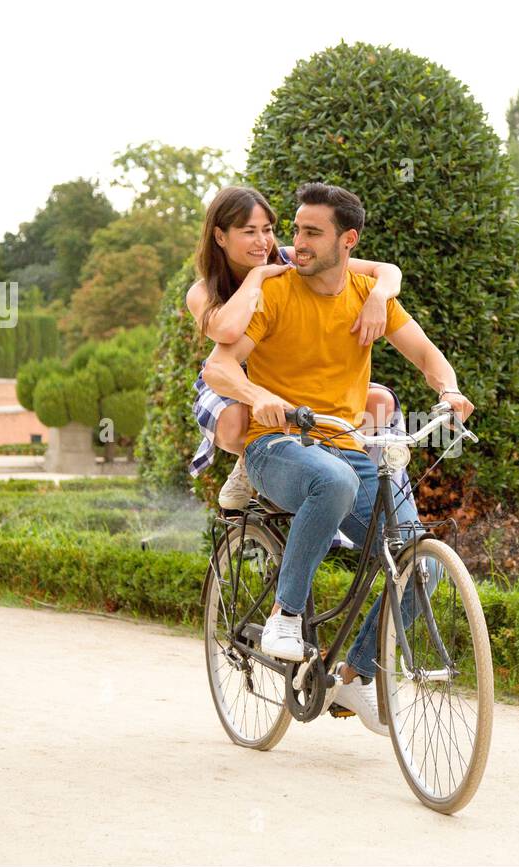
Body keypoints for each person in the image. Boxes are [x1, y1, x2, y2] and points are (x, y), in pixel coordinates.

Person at [202, 181, 473, 735]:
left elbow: (426, 355)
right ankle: (286, 613)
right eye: (294, 230)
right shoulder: (272, 294)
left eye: (308, 233)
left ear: (346, 241)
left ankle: (355, 674)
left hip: (349, 445)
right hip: (276, 445)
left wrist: (449, 392)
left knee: (420, 562)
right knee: (331, 480)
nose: (292, 244)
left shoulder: (368, 297)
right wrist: (261, 397)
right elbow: (217, 368)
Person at [185, 186, 404, 509]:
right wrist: (258, 277)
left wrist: (377, 297)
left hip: (292, 370)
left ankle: (346, 474)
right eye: (249, 232)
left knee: (380, 402)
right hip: (234, 376)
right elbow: (228, 330)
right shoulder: (203, 291)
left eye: (267, 230)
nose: (262, 242)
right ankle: (250, 460)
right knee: (233, 422)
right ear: (220, 236)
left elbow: (388, 271)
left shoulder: (289, 258)